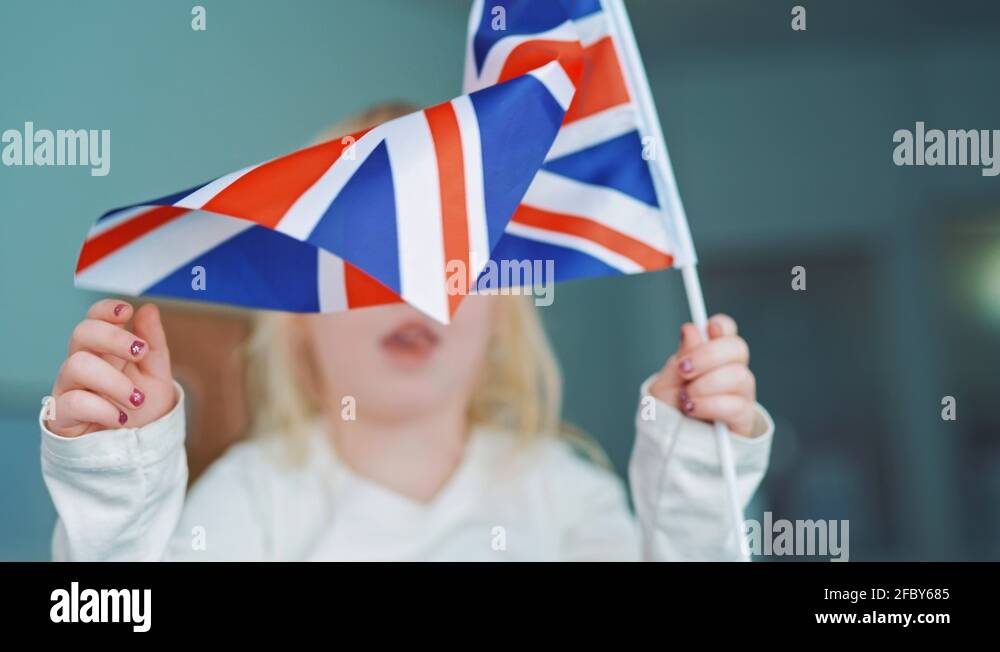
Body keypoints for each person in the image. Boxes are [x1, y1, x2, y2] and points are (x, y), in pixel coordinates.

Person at [40, 105, 773, 561]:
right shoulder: (253, 499)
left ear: (500, 322)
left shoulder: (566, 497)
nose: (412, 289)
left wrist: (696, 478)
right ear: (300, 327)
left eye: (447, 261)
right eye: (368, 259)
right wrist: (114, 485)